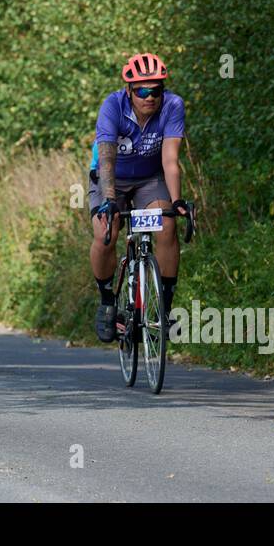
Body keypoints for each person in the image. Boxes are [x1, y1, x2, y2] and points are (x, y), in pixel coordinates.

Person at [88, 52, 189, 342]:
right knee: (106, 231)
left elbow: (170, 160)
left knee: (167, 225)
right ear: (129, 91)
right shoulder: (112, 106)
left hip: (149, 178)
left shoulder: (172, 106)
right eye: (143, 91)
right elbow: (106, 161)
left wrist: (177, 200)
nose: (150, 97)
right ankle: (107, 302)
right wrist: (109, 199)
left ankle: (165, 309)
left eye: (156, 90)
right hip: (112, 177)